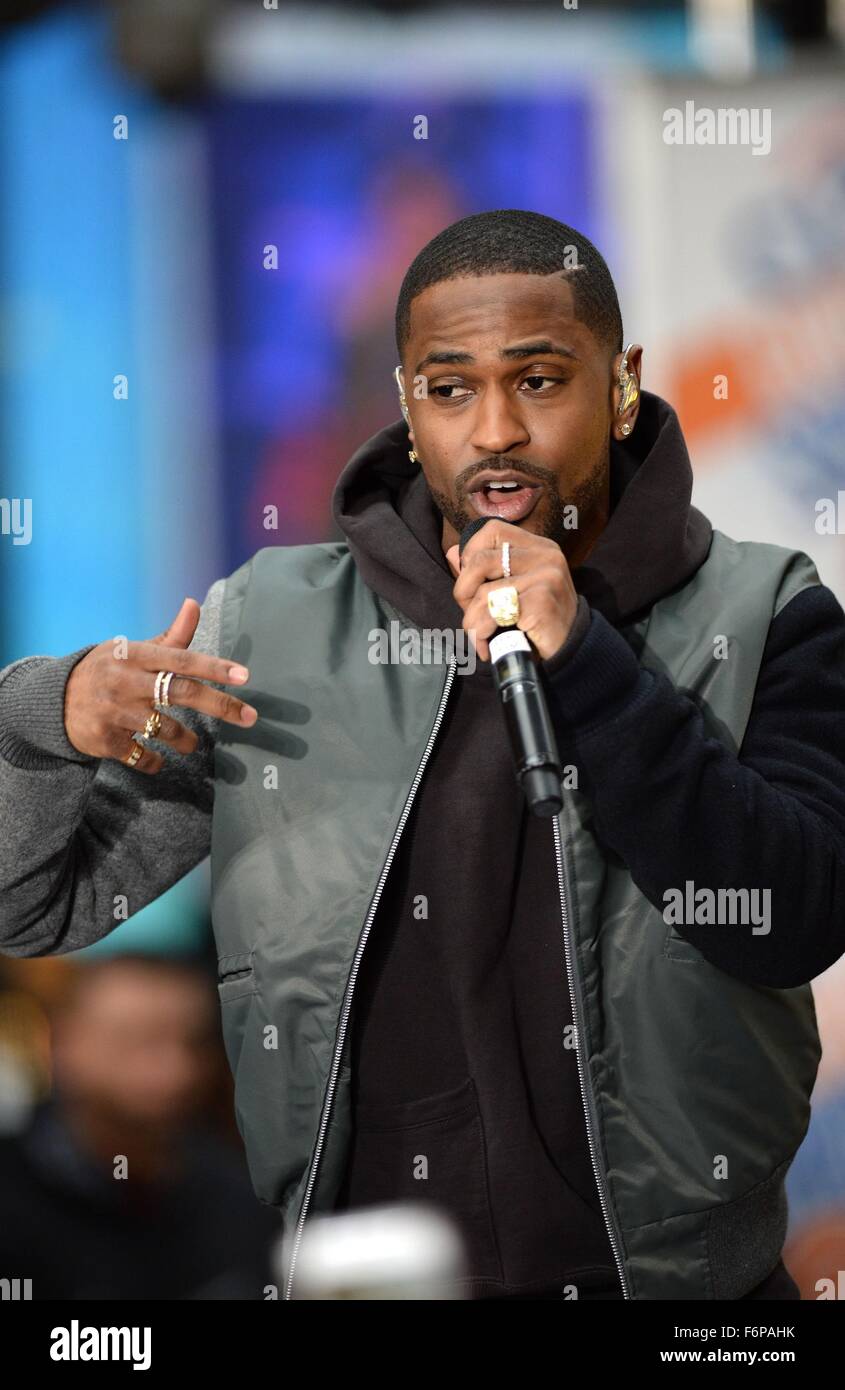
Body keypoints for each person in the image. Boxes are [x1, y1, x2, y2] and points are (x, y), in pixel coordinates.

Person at [1, 209, 844, 1301]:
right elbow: (34, 907)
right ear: (405, 403)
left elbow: (794, 913)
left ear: (622, 382)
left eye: (537, 379)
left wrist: (586, 663)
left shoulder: (763, 609)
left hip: (684, 1296)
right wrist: (42, 721)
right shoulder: (271, 627)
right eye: (448, 390)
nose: (492, 428)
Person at [0, 955, 281, 1298]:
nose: (176, 1069)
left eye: (192, 1042)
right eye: (140, 1042)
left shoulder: (243, 1197)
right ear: (63, 1044)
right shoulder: (14, 1196)